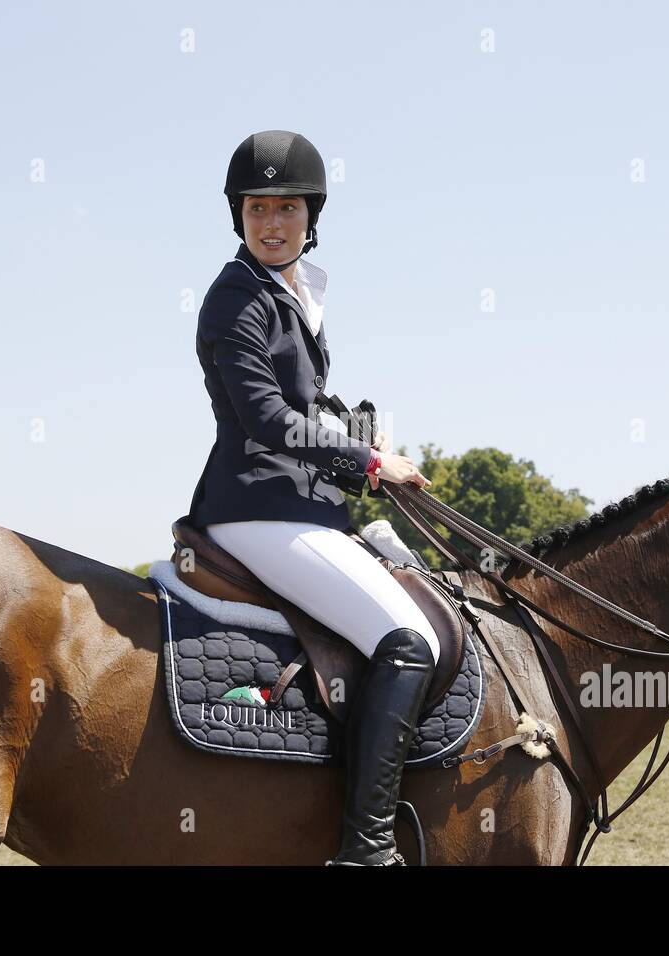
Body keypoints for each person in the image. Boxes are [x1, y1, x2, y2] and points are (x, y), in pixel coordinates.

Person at [186, 129, 439, 866]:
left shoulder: (294, 294)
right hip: (256, 508)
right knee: (406, 642)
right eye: (257, 207)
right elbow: (266, 418)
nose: (272, 222)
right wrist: (368, 460)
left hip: (301, 506)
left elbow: (307, 407)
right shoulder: (237, 295)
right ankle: (364, 852)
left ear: (310, 215)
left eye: (287, 207)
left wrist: (361, 448)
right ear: (238, 215)